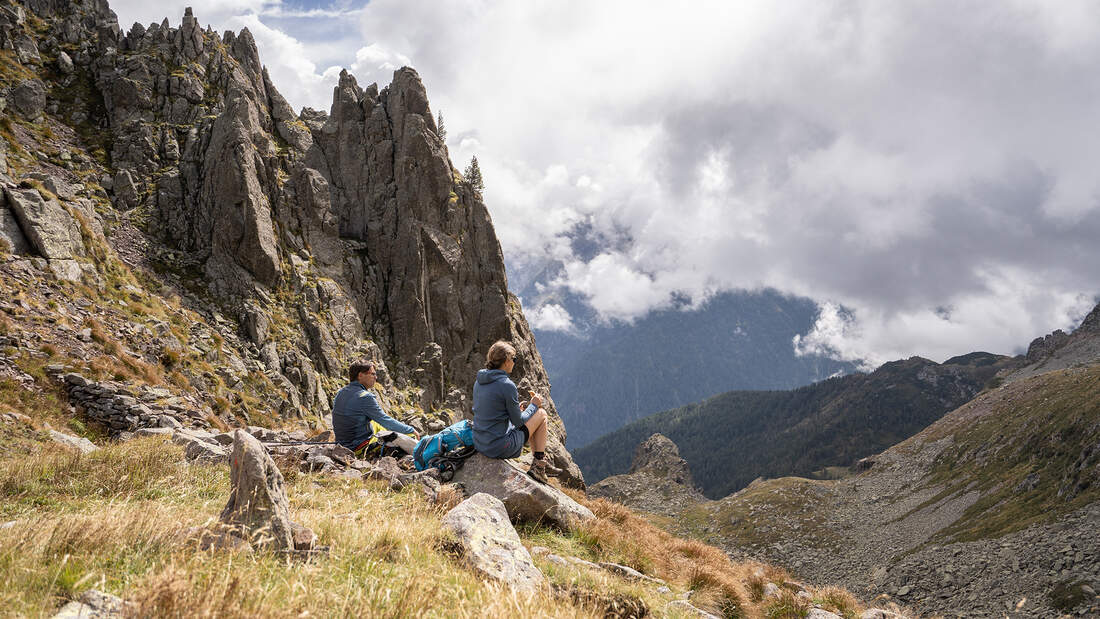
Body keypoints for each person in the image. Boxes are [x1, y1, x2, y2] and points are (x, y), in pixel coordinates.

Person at [472, 341, 556, 483]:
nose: (515, 362)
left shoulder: (479, 381)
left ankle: (539, 462)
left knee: (532, 414)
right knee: (541, 414)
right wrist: (534, 405)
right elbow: (519, 422)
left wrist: (518, 410)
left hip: (480, 442)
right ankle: (539, 466)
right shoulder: (507, 385)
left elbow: (494, 412)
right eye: (514, 359)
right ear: (506, 362)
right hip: (498, 447)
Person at [332, 360, 420, 456]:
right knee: (400, 436)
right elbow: (386, 421)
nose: (376, 377)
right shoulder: (364, 397)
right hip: (358, 447)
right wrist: (410, 430)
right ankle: (421, 451)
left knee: (374, 423)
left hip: (342, 444)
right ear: (360, 375)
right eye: (372, 374)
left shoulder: (341, 392)